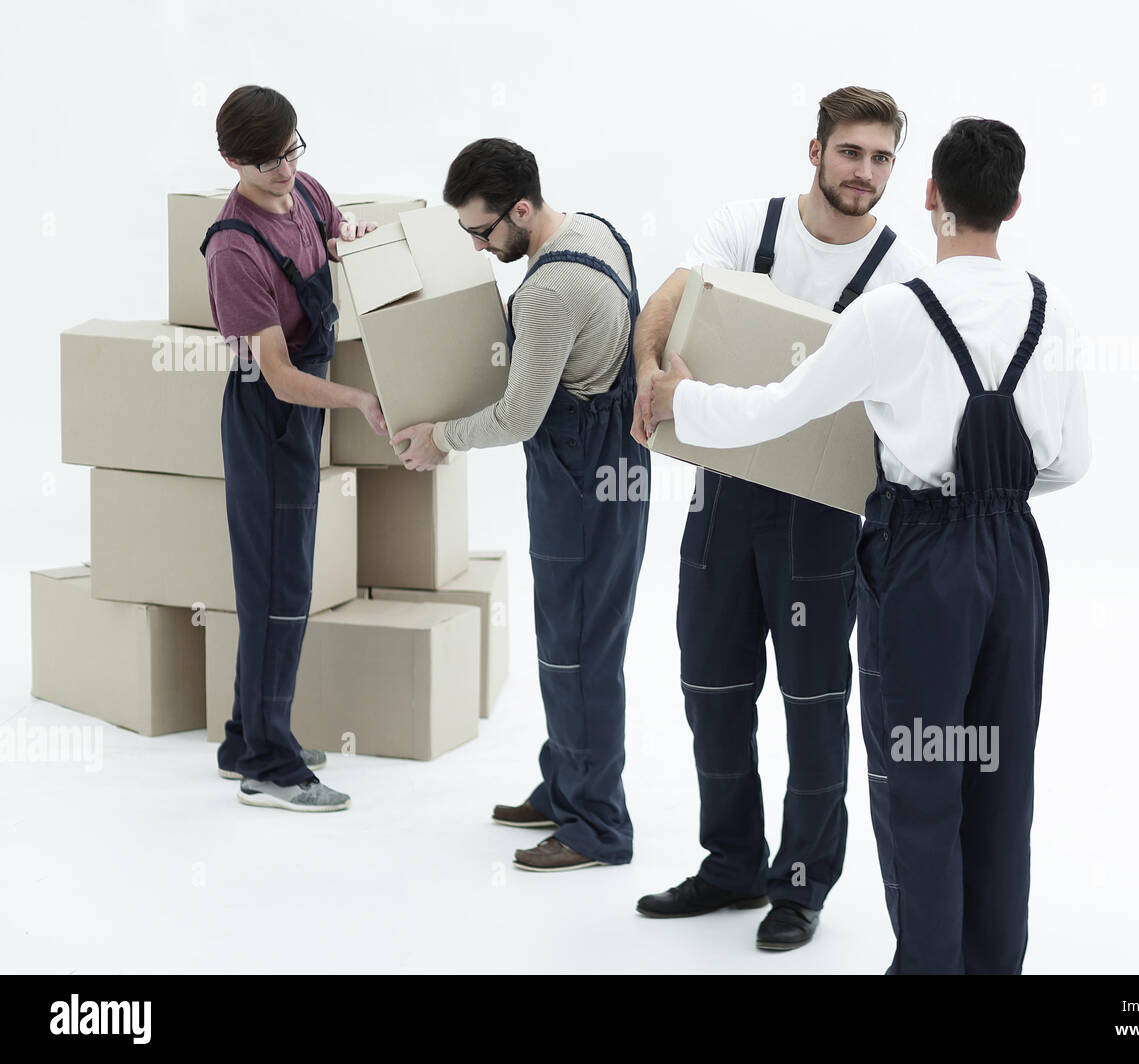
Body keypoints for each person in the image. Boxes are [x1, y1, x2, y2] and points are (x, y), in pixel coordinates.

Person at [648, 117, 1091, 973]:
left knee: (916, 781)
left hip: (923, 557)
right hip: (1015, 558)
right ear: (1015, 204)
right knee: (1001, 781)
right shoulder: (1053, 306)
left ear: (930, 196)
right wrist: (992, 499)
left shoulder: (898, 311)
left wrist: (682, 403)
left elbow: (781, 408)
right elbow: (1071, 463)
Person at [629, 87, 926, 950]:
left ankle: (799, 884)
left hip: (825, 516)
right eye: (850, 153)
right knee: (712, 691)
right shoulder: (744, 228)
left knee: (813, 702)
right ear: (815, 152)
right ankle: (729, 866)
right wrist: (652, 372)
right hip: (721, 501)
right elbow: (671, 297)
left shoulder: (904, 275)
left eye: (880, 158)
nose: (864, 173)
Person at [393, 139, 650, 872]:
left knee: (577, 652)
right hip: (613, 467)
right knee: (575, 640)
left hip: (582, 479)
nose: (479, 247)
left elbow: (517, 417)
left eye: (484, 231)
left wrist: (439, 437)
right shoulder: (597, 229)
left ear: (524, 209)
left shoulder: (544, 293)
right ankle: (568, 781)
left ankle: (597, 824)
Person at [202, 85, 388, 812]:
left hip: (306, 405)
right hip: (268, 417)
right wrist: (361, 400)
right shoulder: (233, 248)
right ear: (231, 161)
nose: (285, 169)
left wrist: (359, 238)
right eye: (268, 162)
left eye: (291, 150)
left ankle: (246, 736)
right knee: (280, 589)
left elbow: (334, 232)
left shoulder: (305, 189)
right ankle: (270, 769)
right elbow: (277, 378)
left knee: (278, 582)